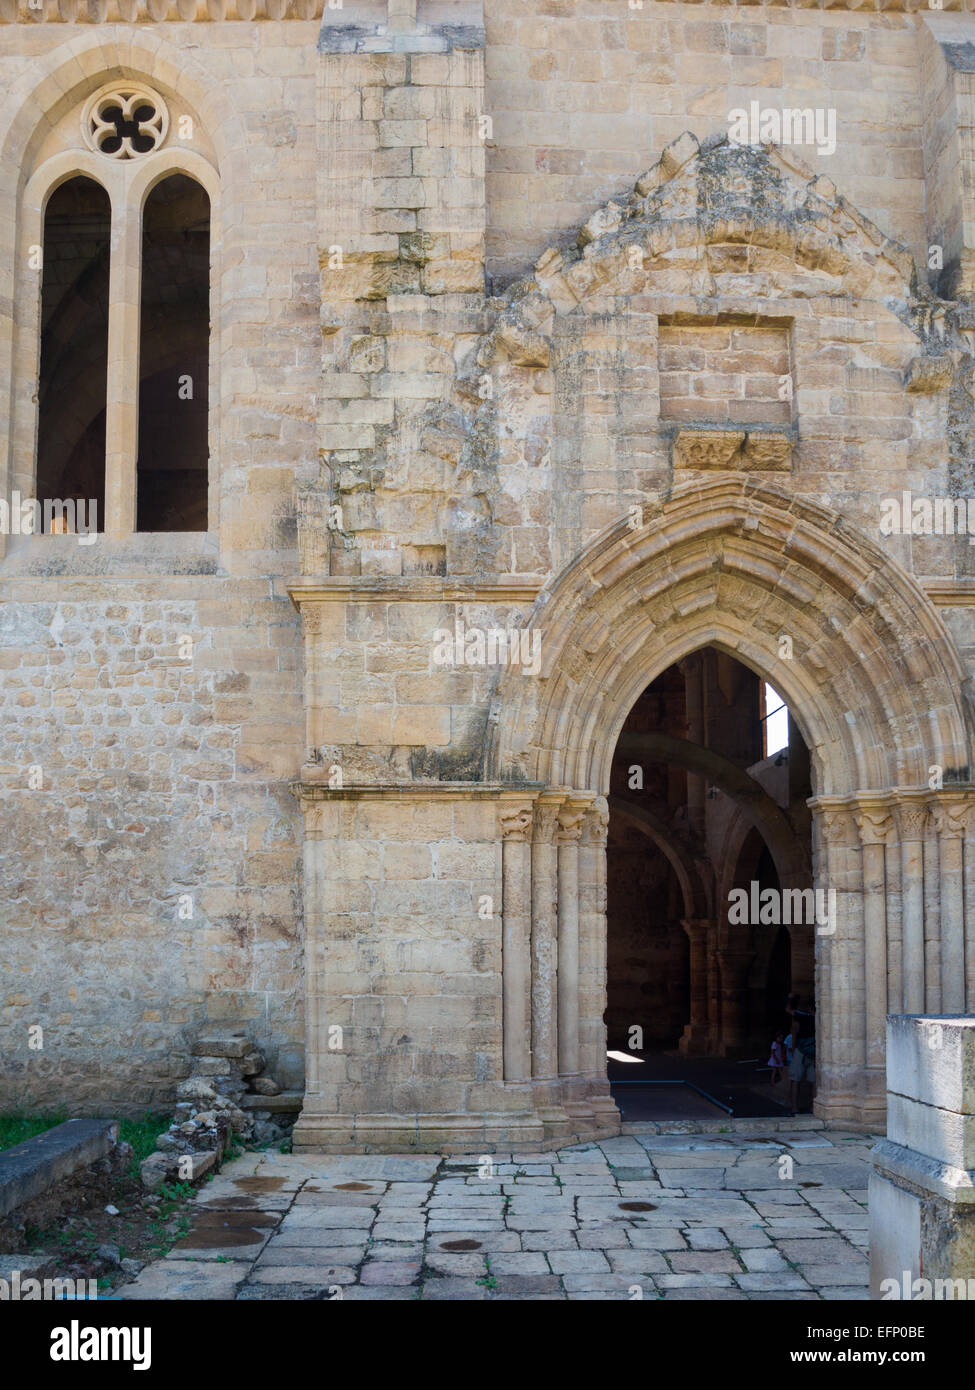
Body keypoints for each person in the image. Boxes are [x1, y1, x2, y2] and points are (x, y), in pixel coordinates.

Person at [789, 998, 816, 1115]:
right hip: (814, 1052)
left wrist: (791, 997)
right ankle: (813, 1107)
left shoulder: (802, 1018)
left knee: (795, 1080)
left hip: (801, 1051)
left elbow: (788, 1010)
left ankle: (794, 1107)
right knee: (814, 1082)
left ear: (809, 1008)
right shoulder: (821, 1018)